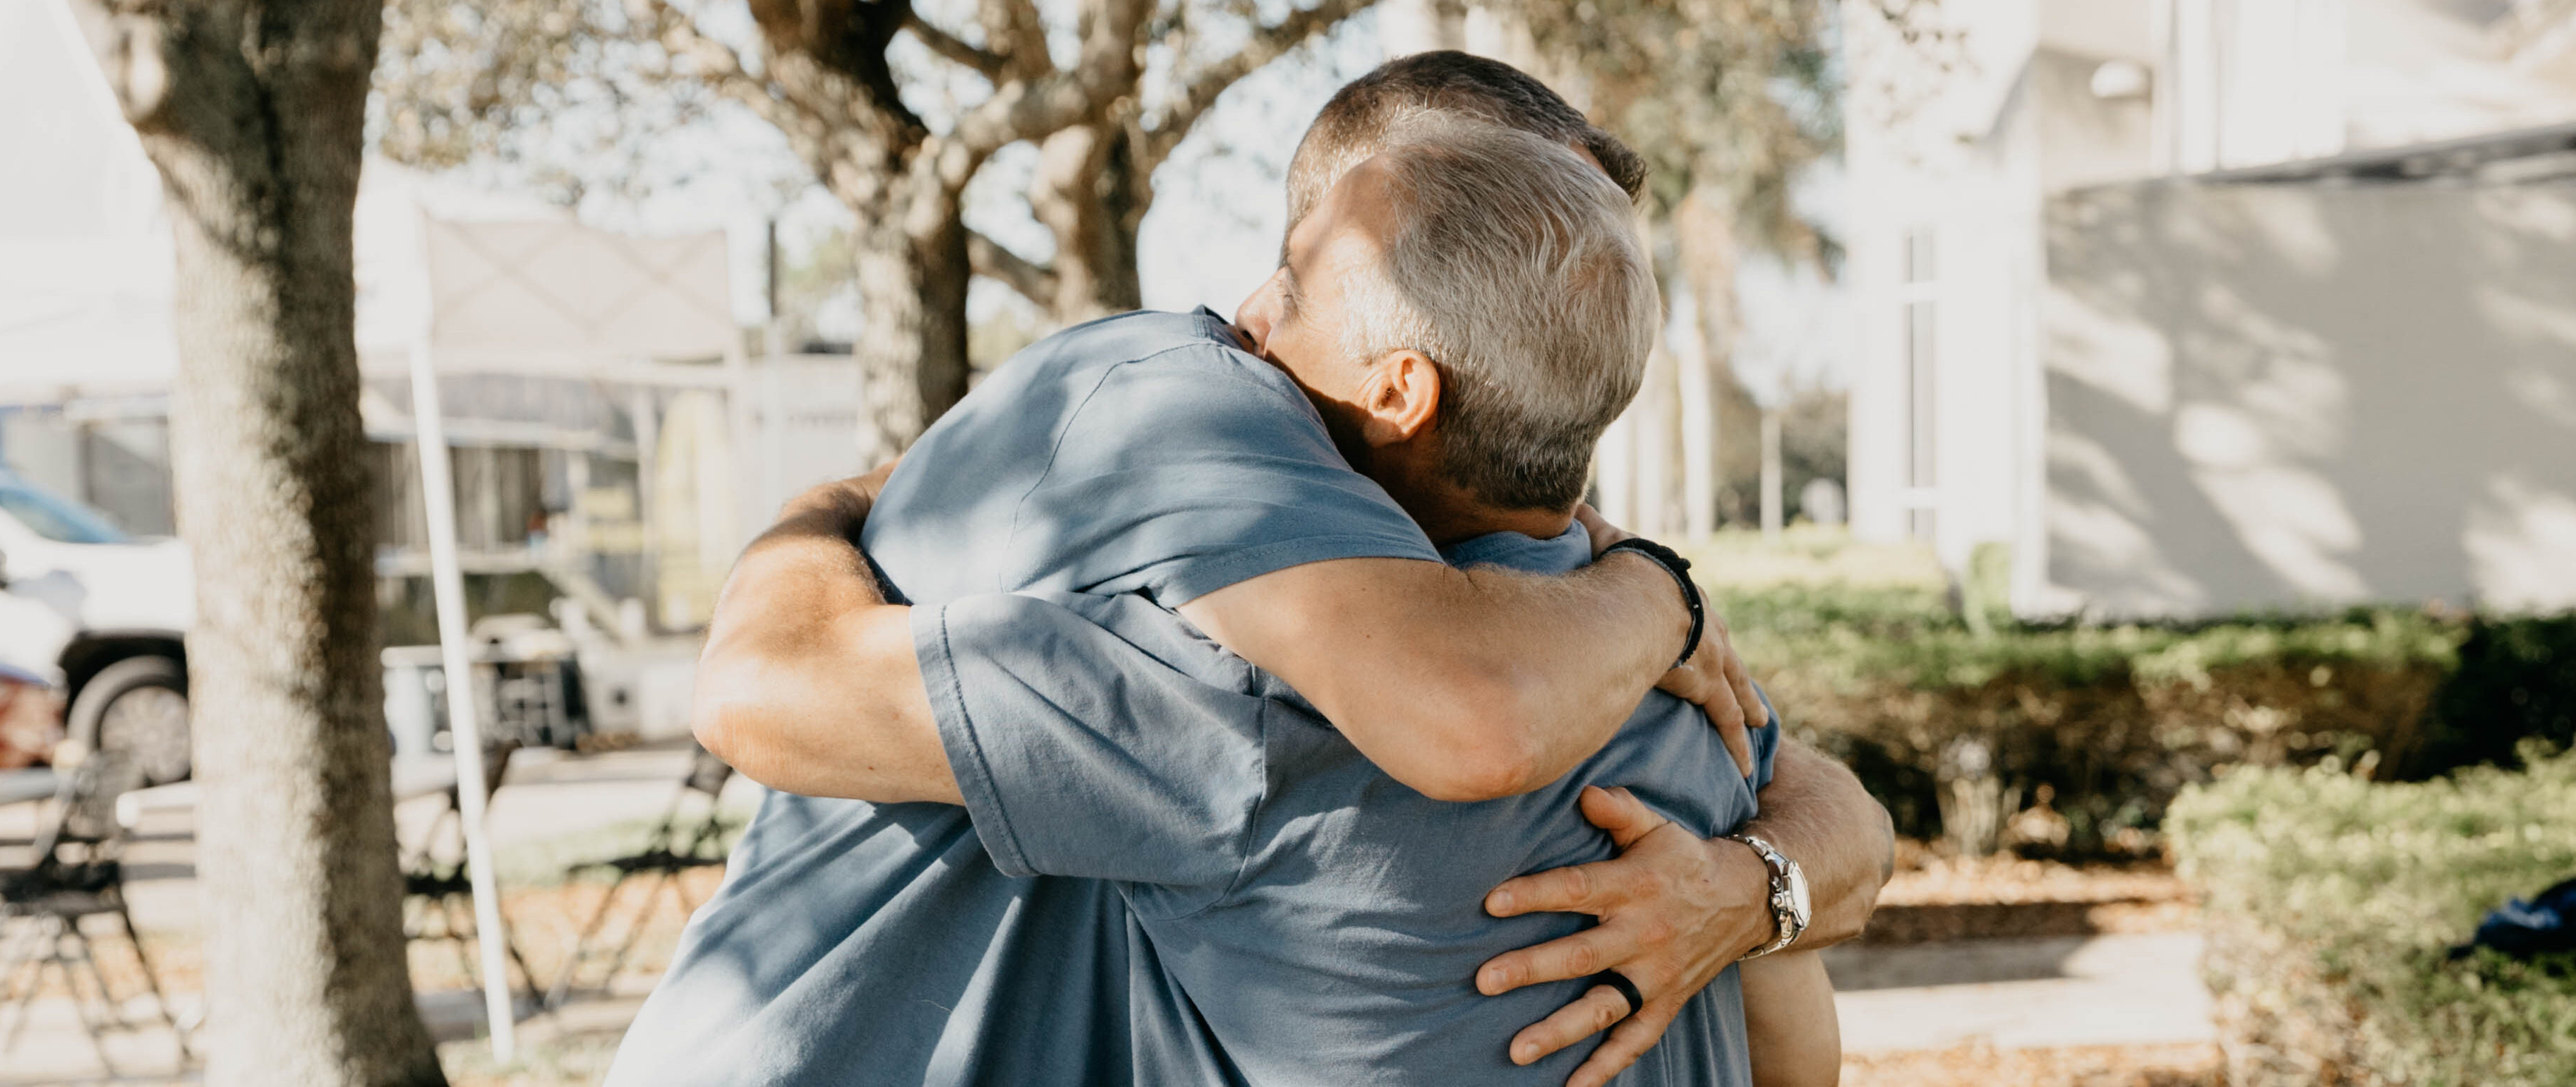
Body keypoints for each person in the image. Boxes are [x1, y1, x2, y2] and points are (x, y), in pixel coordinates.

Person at [599, 53, 1886, 1087]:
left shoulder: (1505, 640)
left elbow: (1808, 808)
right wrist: (1666, 603)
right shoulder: (1193, 418)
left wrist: (1747, 886)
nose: (1249, 318)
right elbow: (1792, 1037)